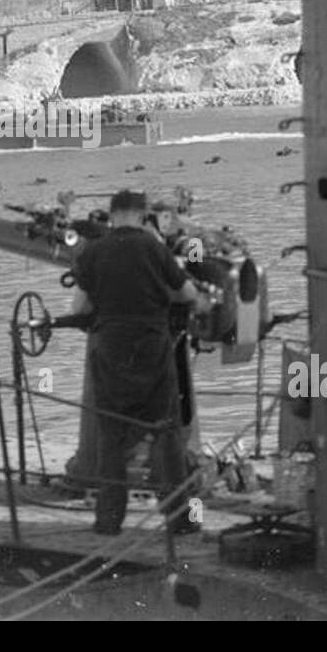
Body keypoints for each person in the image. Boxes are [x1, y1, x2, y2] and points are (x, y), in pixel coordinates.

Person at [70, 189, 207, 535]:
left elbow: (79, 309)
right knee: (167, 434)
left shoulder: (93, 251)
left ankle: (108, 520)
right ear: (142, 215)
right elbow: (188, 294)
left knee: (111, 438)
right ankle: (179, 519)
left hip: (112, 352)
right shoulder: (154, 248)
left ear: (113, 215)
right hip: (153, 351)